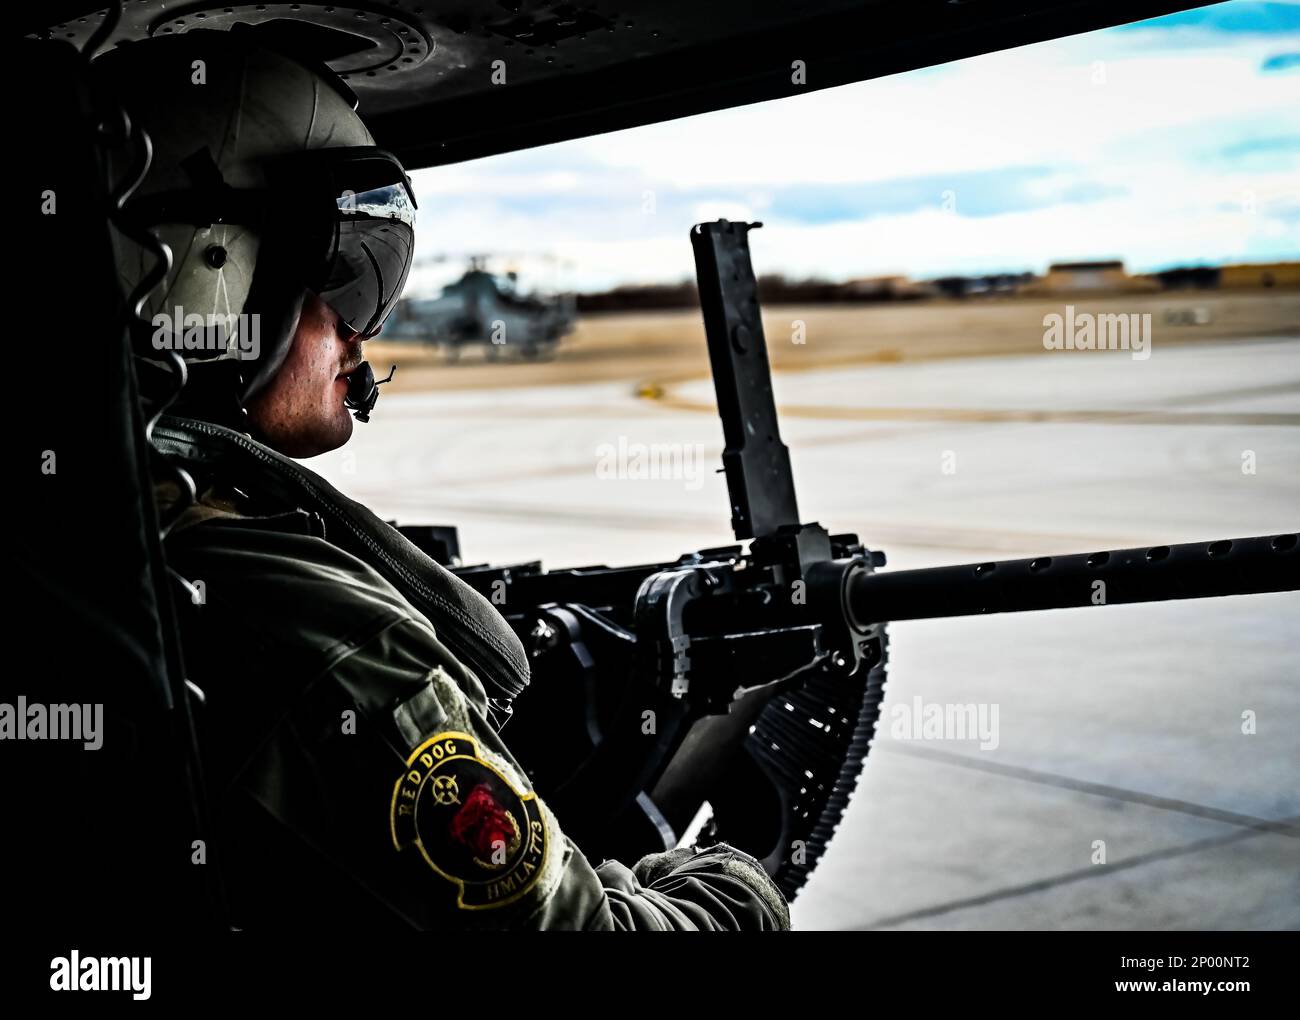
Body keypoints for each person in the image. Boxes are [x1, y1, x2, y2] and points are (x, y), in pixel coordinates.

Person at [96, 29, 791, 931]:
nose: (361, 335)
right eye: (349, 282)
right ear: (204, 276)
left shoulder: (98, 523)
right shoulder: (294, 619)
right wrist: (729, 894)